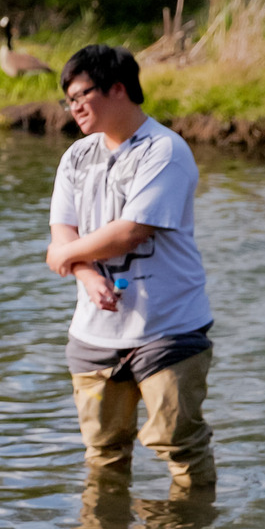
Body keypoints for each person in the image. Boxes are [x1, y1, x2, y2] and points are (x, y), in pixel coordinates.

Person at [46, 44, 216, 491]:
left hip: (167, 328)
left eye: (81, 95)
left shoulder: (165, 150)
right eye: (68, 99)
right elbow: (62, 232)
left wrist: (65, 257)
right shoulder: (76, 157)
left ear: (118, 89)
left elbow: (132, 231)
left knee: (180, 448)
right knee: (103, 457)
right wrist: (82, 273)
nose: (74, 107)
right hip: (94, 335)